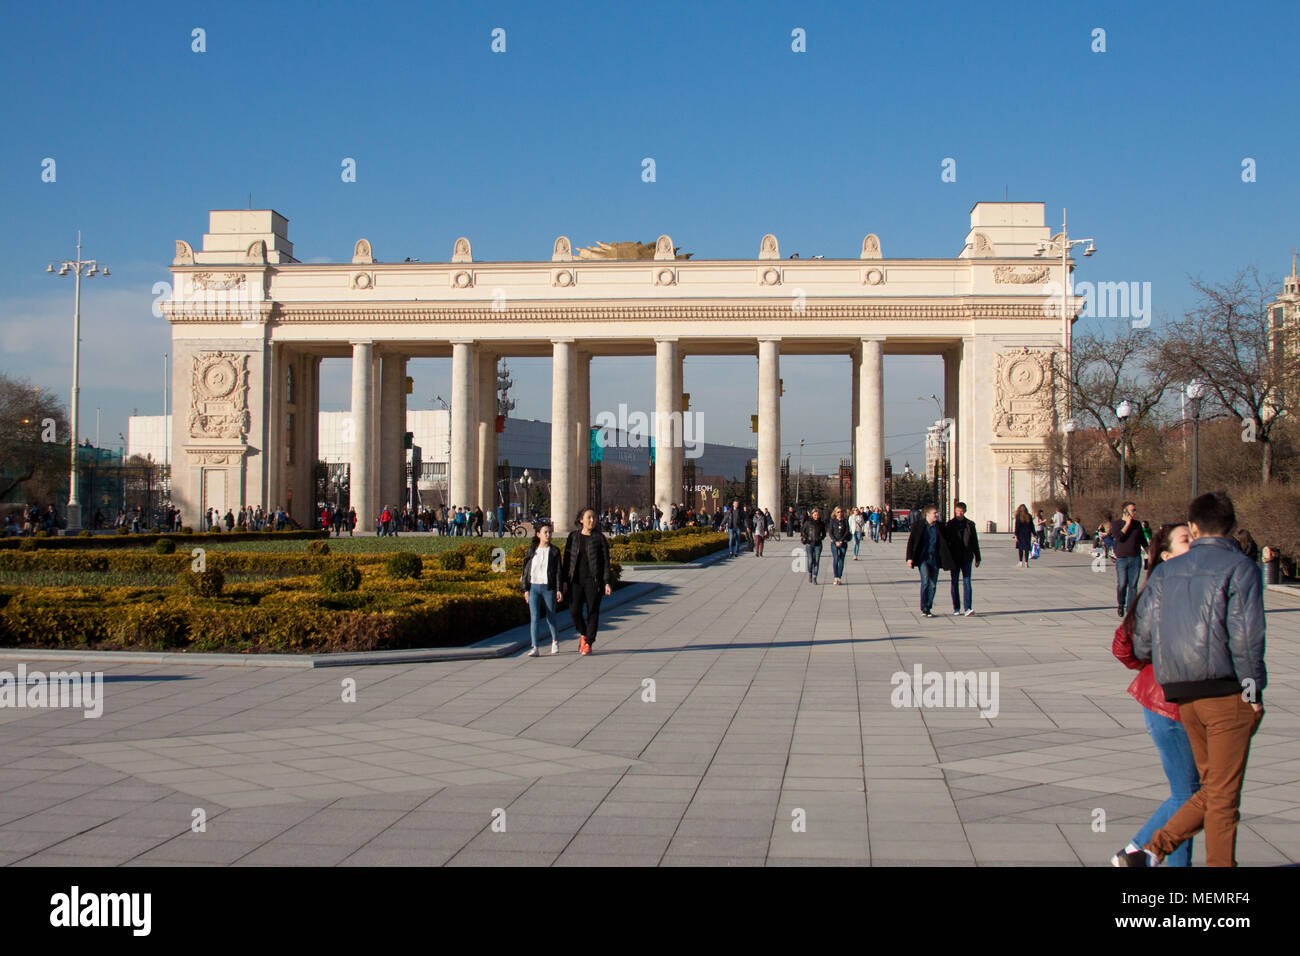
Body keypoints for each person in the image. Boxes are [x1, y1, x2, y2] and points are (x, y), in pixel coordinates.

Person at [1127, 492, 1267, 868]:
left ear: (1193, 526)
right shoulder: (1241, 567)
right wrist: (1254, 691)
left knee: (1213, 788)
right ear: (1232, 526)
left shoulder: (1166, 572)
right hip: (1226, 692)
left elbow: (1142, 640)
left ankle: (1149, 851)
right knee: (1224, 798)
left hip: (1183, 696)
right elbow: (1247, 636)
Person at [1111, 523, 1200, 867]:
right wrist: (1151, 666)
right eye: (1186, 540)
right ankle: (1140, 854)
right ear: (1166, 555)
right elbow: (1124, 644)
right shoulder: (1163, 591)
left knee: (1191, 794)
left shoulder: (1193, 584)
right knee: (1189, 795)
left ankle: (1137, 853)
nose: (1195, 544)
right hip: (1169, 706)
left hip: (1183, 704)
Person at [561, 508, 612, 656]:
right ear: (581, 520)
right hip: (575, 581)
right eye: (589, 517)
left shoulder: (599, 538)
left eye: (594, 518)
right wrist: (564, 580)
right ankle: (583, 632)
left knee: (593, 611)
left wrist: (607, 581)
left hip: (593, 581)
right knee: (574, 610)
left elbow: (606, 562)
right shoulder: (573, 537)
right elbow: (567, 560)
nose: (592, 520)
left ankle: (589, 642)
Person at [520, 522, 563, 657]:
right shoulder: (532, 550)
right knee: (534, 617)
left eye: (549, 532)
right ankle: (535, 646)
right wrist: (525, 589)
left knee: (551, 616)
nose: (548, 535)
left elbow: (558, 572)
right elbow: (526, 570)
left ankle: (555, 641)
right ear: (538, 534)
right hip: (533, 587)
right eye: (545, 532)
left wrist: (559, 589)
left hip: (548, 587)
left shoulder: (555, 551)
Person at [905, 505, 947, 616]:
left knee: (933, 584)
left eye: (937, 513)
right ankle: (923, 607)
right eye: (935, 513)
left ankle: (928, 607)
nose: (936, 515)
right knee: (926, 580)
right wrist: (909, 558)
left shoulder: (940, 527)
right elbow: (911, 542)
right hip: (923, 558)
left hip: (935, 559)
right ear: (927, 514)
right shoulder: (918, 526)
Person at [944, 501, 981, 615]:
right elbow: (946, 541)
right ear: (955, 511)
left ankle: (968, 607)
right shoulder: (950, 524)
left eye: (961, 511)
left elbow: (975, 541)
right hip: (954, 557)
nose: (959, 513)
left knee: (967, 581)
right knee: (954, 582)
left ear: (964, 511)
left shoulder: (970, 524)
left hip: (966, 556)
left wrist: (977, 556)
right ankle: (956, 607)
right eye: (957, 511)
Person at [1111, 501, 1143, 617]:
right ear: (1125, 511)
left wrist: (1149, 551)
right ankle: (1121, 604)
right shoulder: (1116, 524)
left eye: (1135, 510)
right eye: (1132, 510)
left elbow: (1142, 539)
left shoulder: (1137, 524)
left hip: (1135, 558)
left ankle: (1131, 610)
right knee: (1122, 584)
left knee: (1133, 585)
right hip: (1122, 559)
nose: (1135, 512)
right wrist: (1127, 524)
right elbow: (1119, 537)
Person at [800, 507, 826, 584]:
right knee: (810, 561)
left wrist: (821, 538)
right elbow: (803, 531)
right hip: (809, 544)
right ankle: (810, 573)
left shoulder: (821, 523)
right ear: (812, 515)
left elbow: (824, 533)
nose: (816, 516)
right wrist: (806, 538)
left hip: (818, 544)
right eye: (815, 515)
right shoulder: (808, 522)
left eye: (817, 515)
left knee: (817, 561)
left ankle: (815, 577)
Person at [827, 506, 851, 585]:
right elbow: (830, 532)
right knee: (836, 558)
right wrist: (836, 541)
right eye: (838, 512)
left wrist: (841, 540)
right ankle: (835, 577)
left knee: (841, 560)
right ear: (835, 513)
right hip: (834, 542)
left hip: (843, 542)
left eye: (841, 512)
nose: (839, 513)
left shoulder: (845, 521)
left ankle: (839, 577)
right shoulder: (832, 521)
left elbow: (847, 531)